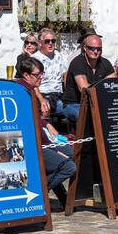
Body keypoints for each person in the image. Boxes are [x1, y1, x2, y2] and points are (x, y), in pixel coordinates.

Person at [15, 55, 76, 199]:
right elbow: (33, 127)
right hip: (31, 146)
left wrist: (47, 124)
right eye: (37, 75)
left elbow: (37, 120)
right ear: (26, 75)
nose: (41, 78)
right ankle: (37, 193)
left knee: (73, 152)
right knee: (68, 167)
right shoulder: (22, 93)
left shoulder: (31, 90)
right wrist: (53, 149)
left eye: (42, 74)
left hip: (41, 141)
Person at [63, 33, 112, 124]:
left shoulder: (105, 63)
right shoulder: (77, 63)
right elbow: (84, 90)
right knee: (89, 116)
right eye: (92, 48)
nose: (96, 51)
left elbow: (113, 84)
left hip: (96, 103)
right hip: (74, 104)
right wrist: (105, 88)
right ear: (85, 48)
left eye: (99, 49)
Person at [33, 29, 69, 114]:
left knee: (79, 112)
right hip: (43, 96)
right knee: (44, 115)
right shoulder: (34, 59)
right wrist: (41, 100)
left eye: (53, 41)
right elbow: (33, 84)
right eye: (47, 41)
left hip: (59, 98)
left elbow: (65, 74)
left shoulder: (58, 55)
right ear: (40, 43)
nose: (50, 43)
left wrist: (68, 94)